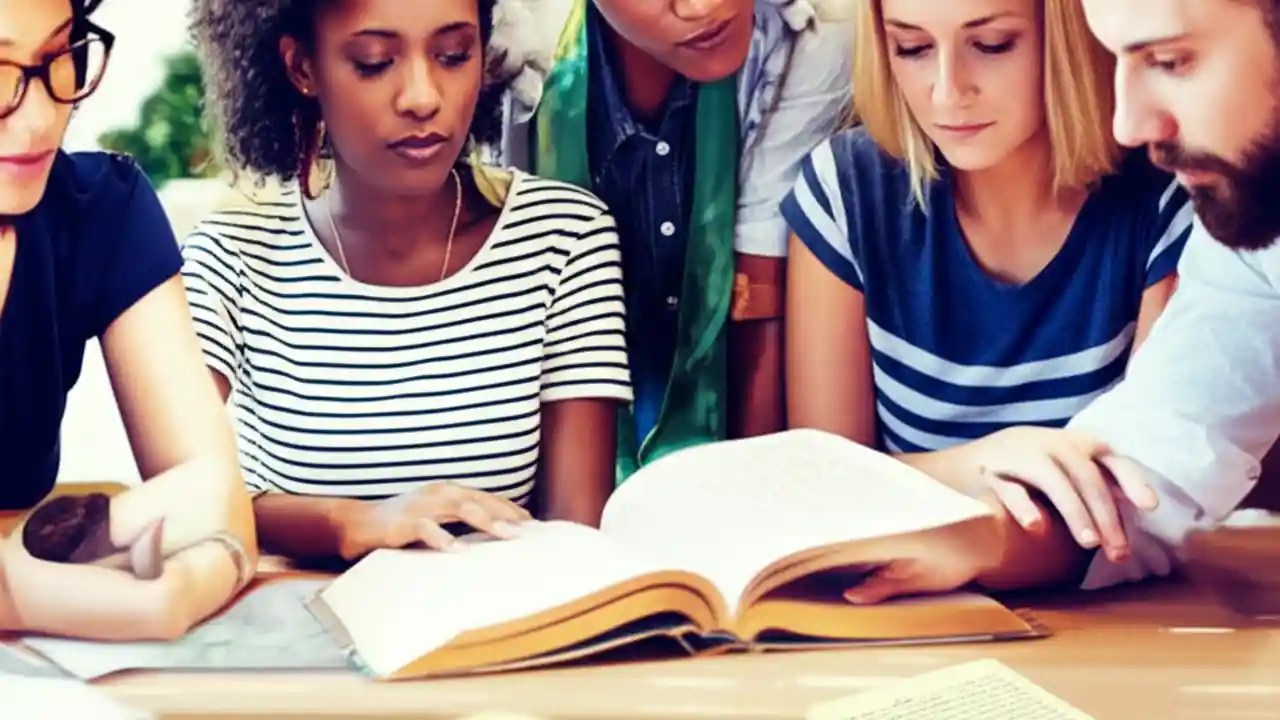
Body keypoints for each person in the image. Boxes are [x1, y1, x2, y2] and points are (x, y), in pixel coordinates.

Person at [186, 0, 633, 563]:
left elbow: (576, 537)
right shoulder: (234, 256)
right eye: (375, 62)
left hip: (498, 633)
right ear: (302, 68)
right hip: (295, 636)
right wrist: (349, 523)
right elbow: (177, 501)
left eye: (453, 55)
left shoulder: (564, 239)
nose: (423, 97)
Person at [782, 0, 1199, 602]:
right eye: (913, 48)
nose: (947, 92)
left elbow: (1145, 502)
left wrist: (978, 540)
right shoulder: (848, 193)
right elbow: (821, 482)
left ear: (1069, 37)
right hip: (896, 620)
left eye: (993, 45)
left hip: (1120, 623)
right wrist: (986, 461)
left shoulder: (1165, 201)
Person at [488, 0, 853, 480]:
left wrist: (755, 503)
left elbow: (760, 293)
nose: (702, 7)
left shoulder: (812, 31)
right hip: (550, 425)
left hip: (728, 409)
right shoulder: (507, 44)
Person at [0, 0, 257, 640]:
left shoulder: (99, 212)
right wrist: (61, 600)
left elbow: (213, 495)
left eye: (58, 58)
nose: (38, 120)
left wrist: (186, 583)